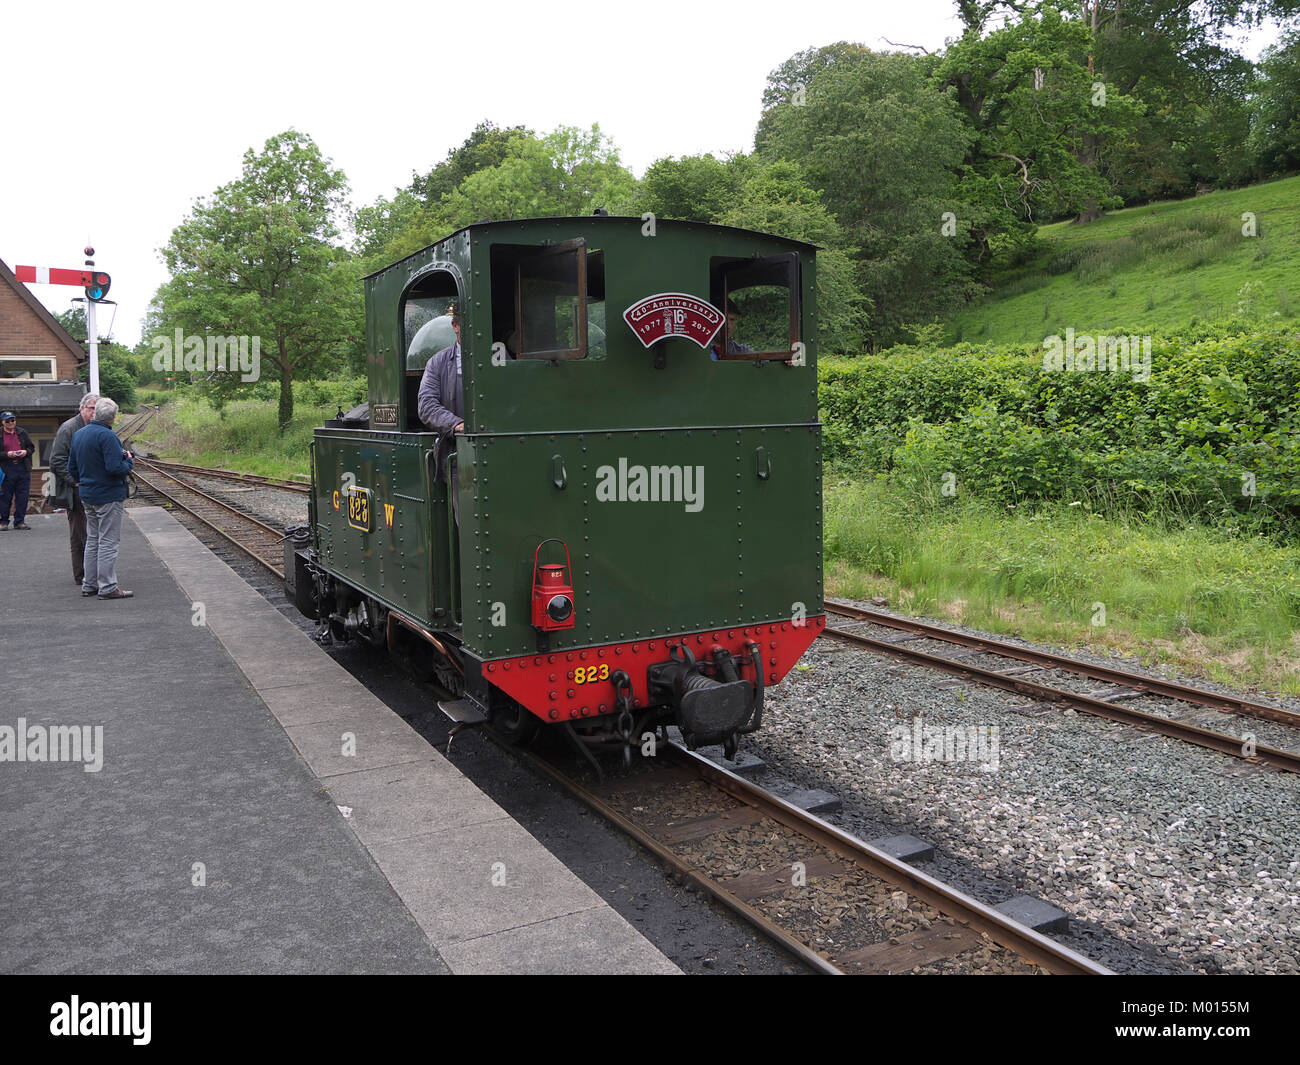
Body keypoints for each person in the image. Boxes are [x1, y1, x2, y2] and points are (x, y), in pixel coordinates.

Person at [67, 397, 135, 600]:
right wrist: (129, 463)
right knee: (108, 541)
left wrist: (85, 481)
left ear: (95, 413)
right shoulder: (108, 436)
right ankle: (107, 587)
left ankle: (90, 584)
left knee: (93, 540)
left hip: (87, 494)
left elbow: (72, 468)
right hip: (108, 495)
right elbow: (115, 468)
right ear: (113, 417)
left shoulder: (79, 434)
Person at [416, 301, 465, 524]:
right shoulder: (437, 363)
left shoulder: (502, 358)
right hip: (458, 457)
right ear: (456, 325)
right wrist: (456, 425)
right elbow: (426, 405)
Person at [49, 393, 99, 584]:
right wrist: (73, 481)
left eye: (96, 408)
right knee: (81, 533)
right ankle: (84, 575)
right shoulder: (69, 428)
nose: (94, 412)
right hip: (74, 489)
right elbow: (57, 459)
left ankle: (85, 574)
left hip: (85, 486)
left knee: (83, 533)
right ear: (82, 408)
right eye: (91, 408)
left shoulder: (90, 427)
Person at [0, 410, 37, 530]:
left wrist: (25, 452)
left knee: (22, 496)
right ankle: (4, 521)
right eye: (8, 421)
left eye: (13, 420)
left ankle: (19, 521)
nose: (11, 423)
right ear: (2, 422)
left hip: (22, 468)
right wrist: (7, 454)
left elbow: (31, 447)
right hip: (6, 469)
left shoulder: (22, 432)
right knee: (5, 497)